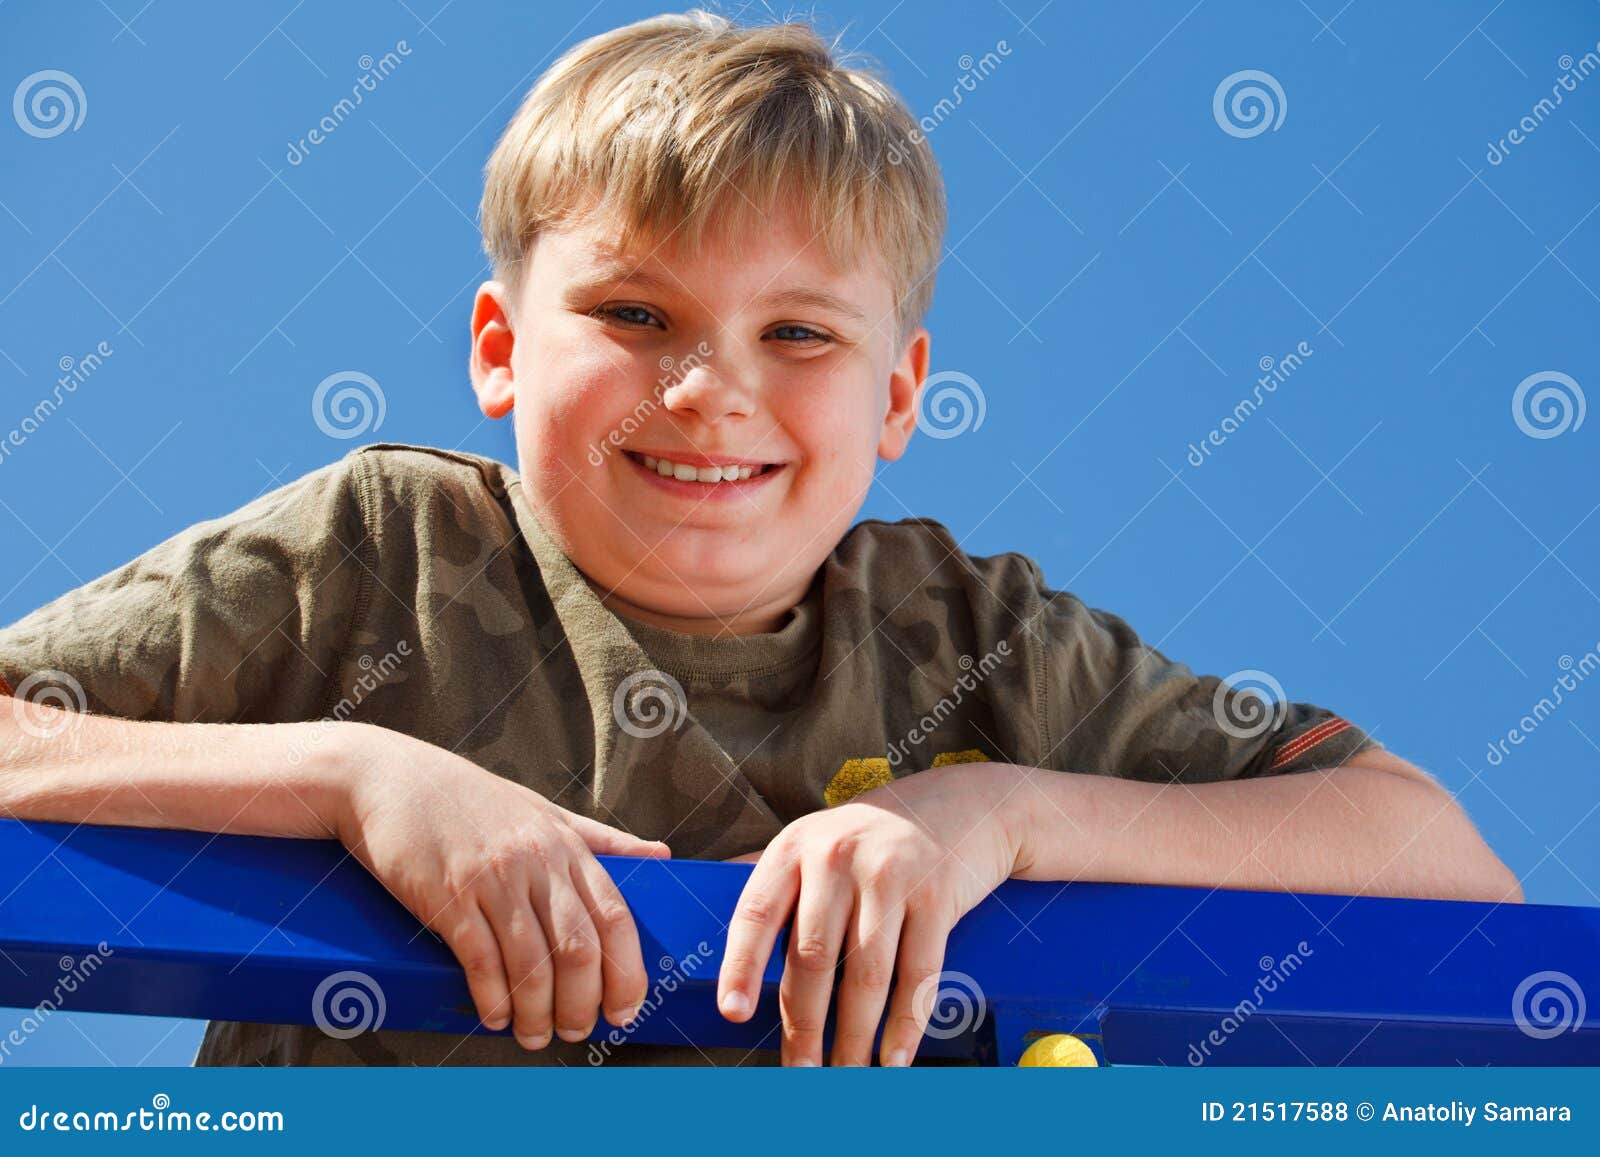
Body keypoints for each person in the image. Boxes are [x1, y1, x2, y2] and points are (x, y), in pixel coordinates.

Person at [0, 9, 1520, 1068]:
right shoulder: (382, 552)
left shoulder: (970, 638)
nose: (712, 386)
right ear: (500, 346)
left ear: (901, 392)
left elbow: (1441, 864)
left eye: (798, 330)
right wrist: (351, 773)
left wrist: (999, 814)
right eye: (634, 312)